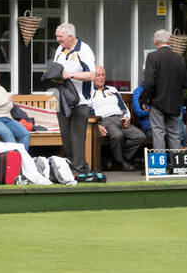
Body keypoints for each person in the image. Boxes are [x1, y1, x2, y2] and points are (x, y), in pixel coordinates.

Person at [51, 22, 96, 174]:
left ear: (70, 36)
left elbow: (92, 75)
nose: (57, 39)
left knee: (77, 137)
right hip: (62, 99)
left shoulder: (84, 50)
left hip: (81, 101)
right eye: (56, 36)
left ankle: (80, 169)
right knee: (66, 136)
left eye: (60, 36)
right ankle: (71, 167)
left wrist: (70, 75)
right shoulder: (60, 49)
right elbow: (57, 69)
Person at [89, 65, 146, 171]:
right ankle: (122, 162)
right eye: (98, 75)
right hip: (104, 120)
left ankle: (117, 159)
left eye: (103, 74)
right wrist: (97, 125)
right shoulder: (88, 92)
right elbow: (87, 111)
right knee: (118, 135)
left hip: (120, 118)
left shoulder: (112, 89)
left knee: (140, 136)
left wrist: (127, 118)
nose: (101, 77)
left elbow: (123, 107)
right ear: (92, 76)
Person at [140, 28, 187, 150]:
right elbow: (185, 83)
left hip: (157, 102)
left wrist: (145, 100)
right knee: (174, 134)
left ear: (155, 41)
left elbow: (149, 81)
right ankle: (176, 166)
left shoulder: (152, 56)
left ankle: (159, 166)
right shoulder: (180, 58)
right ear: (169, 41)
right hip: (174, 103)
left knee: (158, 133)